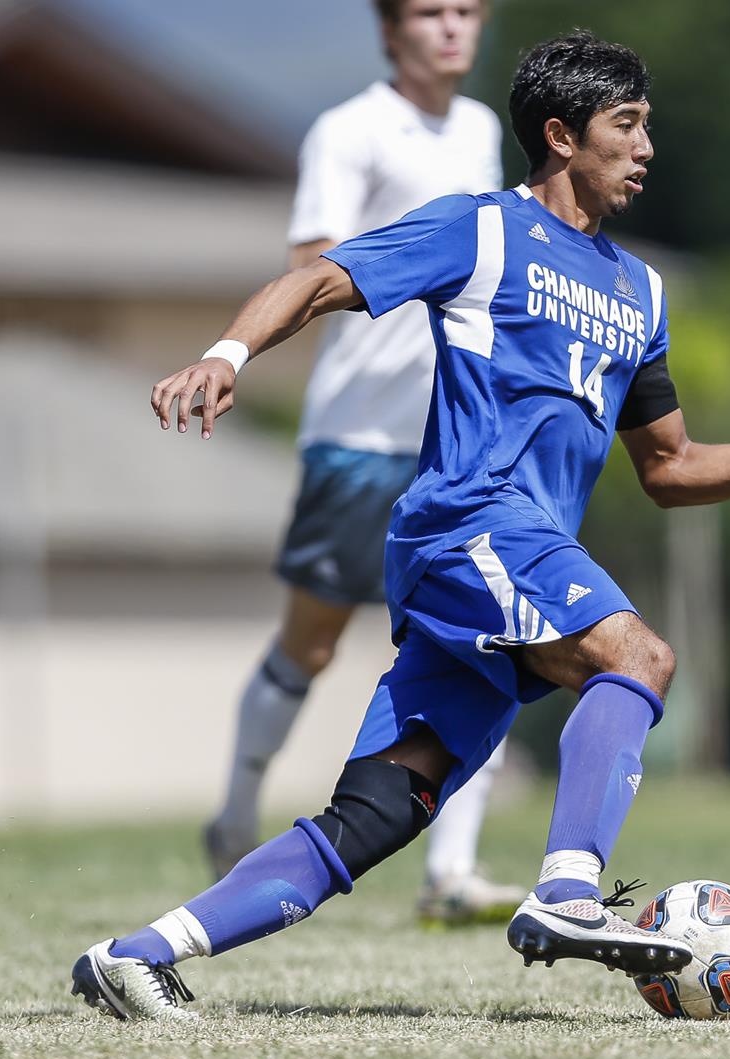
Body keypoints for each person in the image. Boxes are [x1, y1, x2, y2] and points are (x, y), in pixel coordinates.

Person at [71, 31, 730, 1021]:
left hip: (509, 559)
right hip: (468, 522)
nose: (646, 149)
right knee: (637, 657)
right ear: (560, 134)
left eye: (647, 128)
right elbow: (322, 279)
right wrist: (227, 353)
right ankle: (565, 891)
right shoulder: (482, 231)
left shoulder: (641, 294)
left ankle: (136, 955)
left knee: (379, 811)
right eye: (626, 127)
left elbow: (670, 467)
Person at [203, 0, 524, 926]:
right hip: (358, 434)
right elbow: (312, 262)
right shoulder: (347, 130)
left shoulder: (478, 130)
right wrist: (419, 260)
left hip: (457, 439)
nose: (453, 28)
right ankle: (232, 817)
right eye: (431, 12)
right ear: (390, 32)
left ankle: (452, 871)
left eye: (468, 10)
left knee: (492, 638)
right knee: (312, 637)